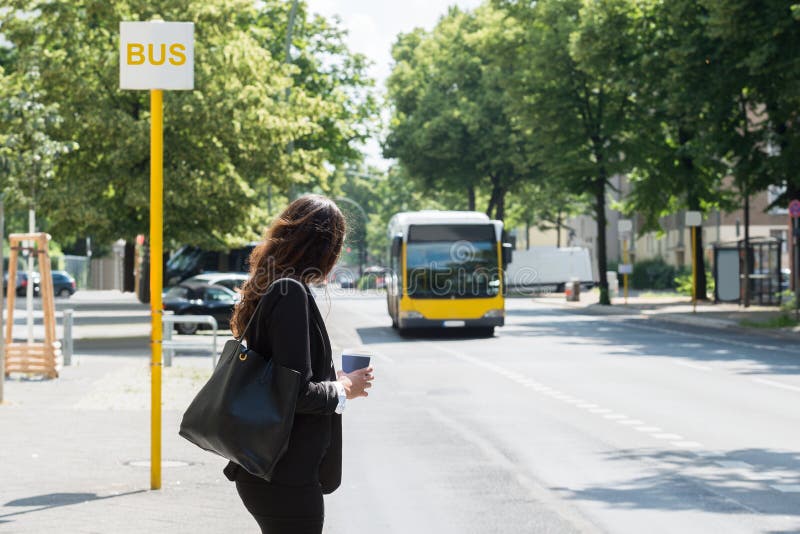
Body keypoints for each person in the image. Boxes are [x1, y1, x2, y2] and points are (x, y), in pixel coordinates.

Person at [225, 194, 375, 534]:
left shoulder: (273, 287)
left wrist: (331, 378)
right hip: (284, 475)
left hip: (268, 472)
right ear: (324, 247)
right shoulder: (290, 293)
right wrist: (344, 387)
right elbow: (295, 394)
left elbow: (284, 376)